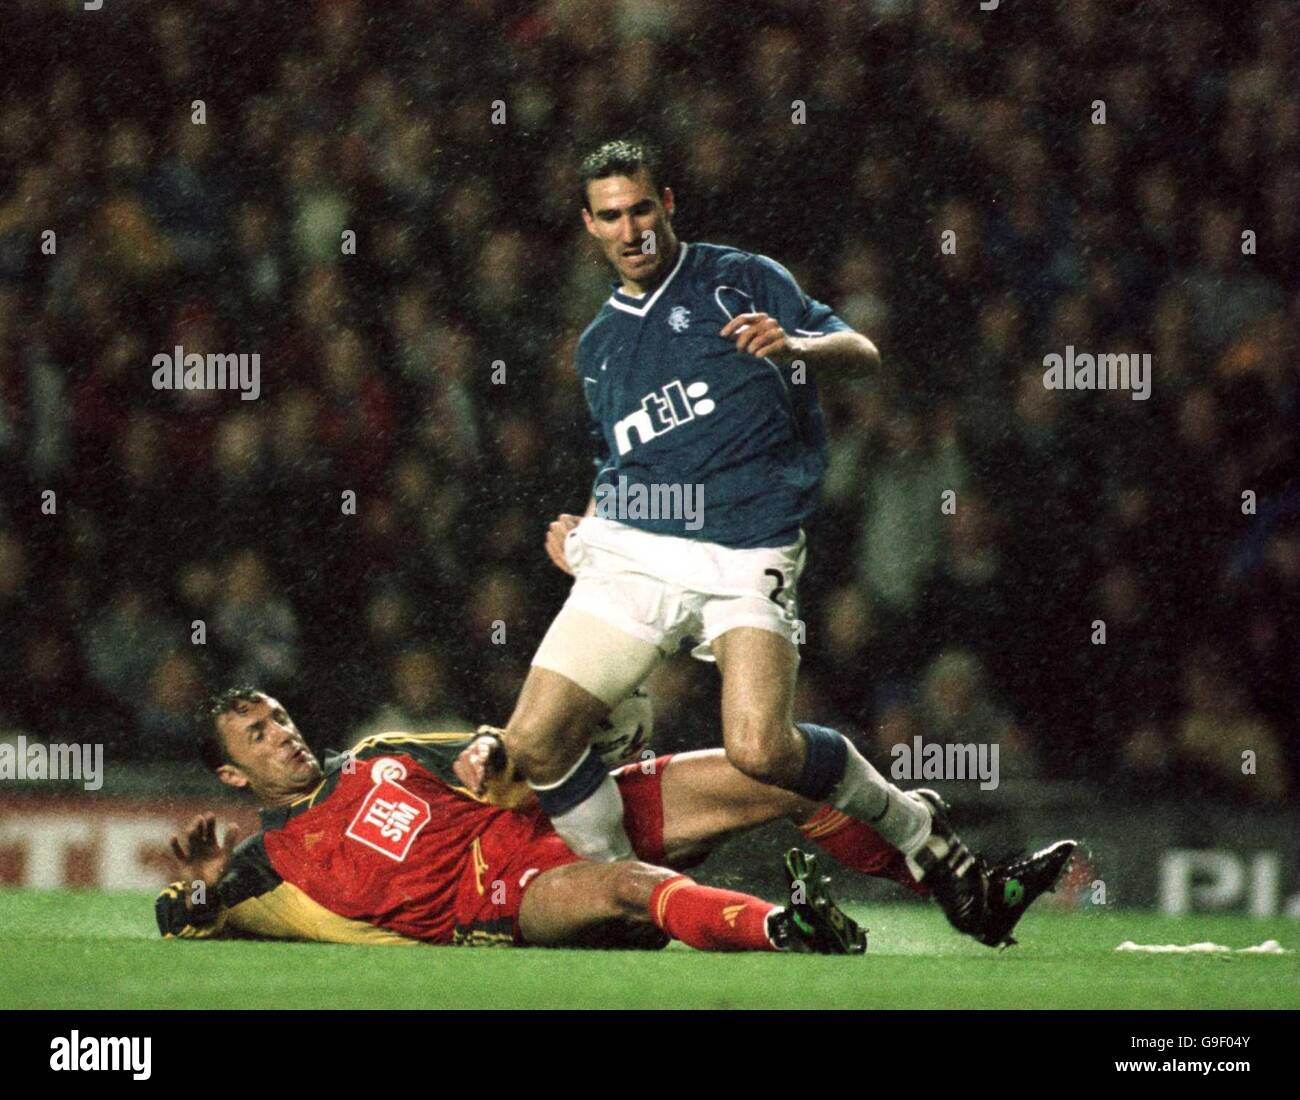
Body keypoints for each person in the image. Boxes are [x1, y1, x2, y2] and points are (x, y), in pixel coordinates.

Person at [501, 137, 988, 937]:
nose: (632, 231)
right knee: (535, 739)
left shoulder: (741, 278)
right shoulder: (597, 346)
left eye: (643, 210)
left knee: (761, 749)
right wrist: (588, 526)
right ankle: (627, 900)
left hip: (747, 548)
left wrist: (799, 347)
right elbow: (622, 457)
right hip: (635, 552)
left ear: (669, 205)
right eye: (612, 217)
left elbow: (861, 352)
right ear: (589, 226)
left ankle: (912, 825)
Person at [156, 689, 1074, 952]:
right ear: (235, 772)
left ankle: (971, 892)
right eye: (256, 734)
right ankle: (787, 932)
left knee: (783, 768)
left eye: (277, 716)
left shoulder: (377, 753)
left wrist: (492, 755)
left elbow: (491, 745)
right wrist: (195, 891)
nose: (282, 734)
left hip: (563, 814)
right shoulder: (270, 856)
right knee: (633, 889)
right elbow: (184, 915)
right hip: (500, 895)